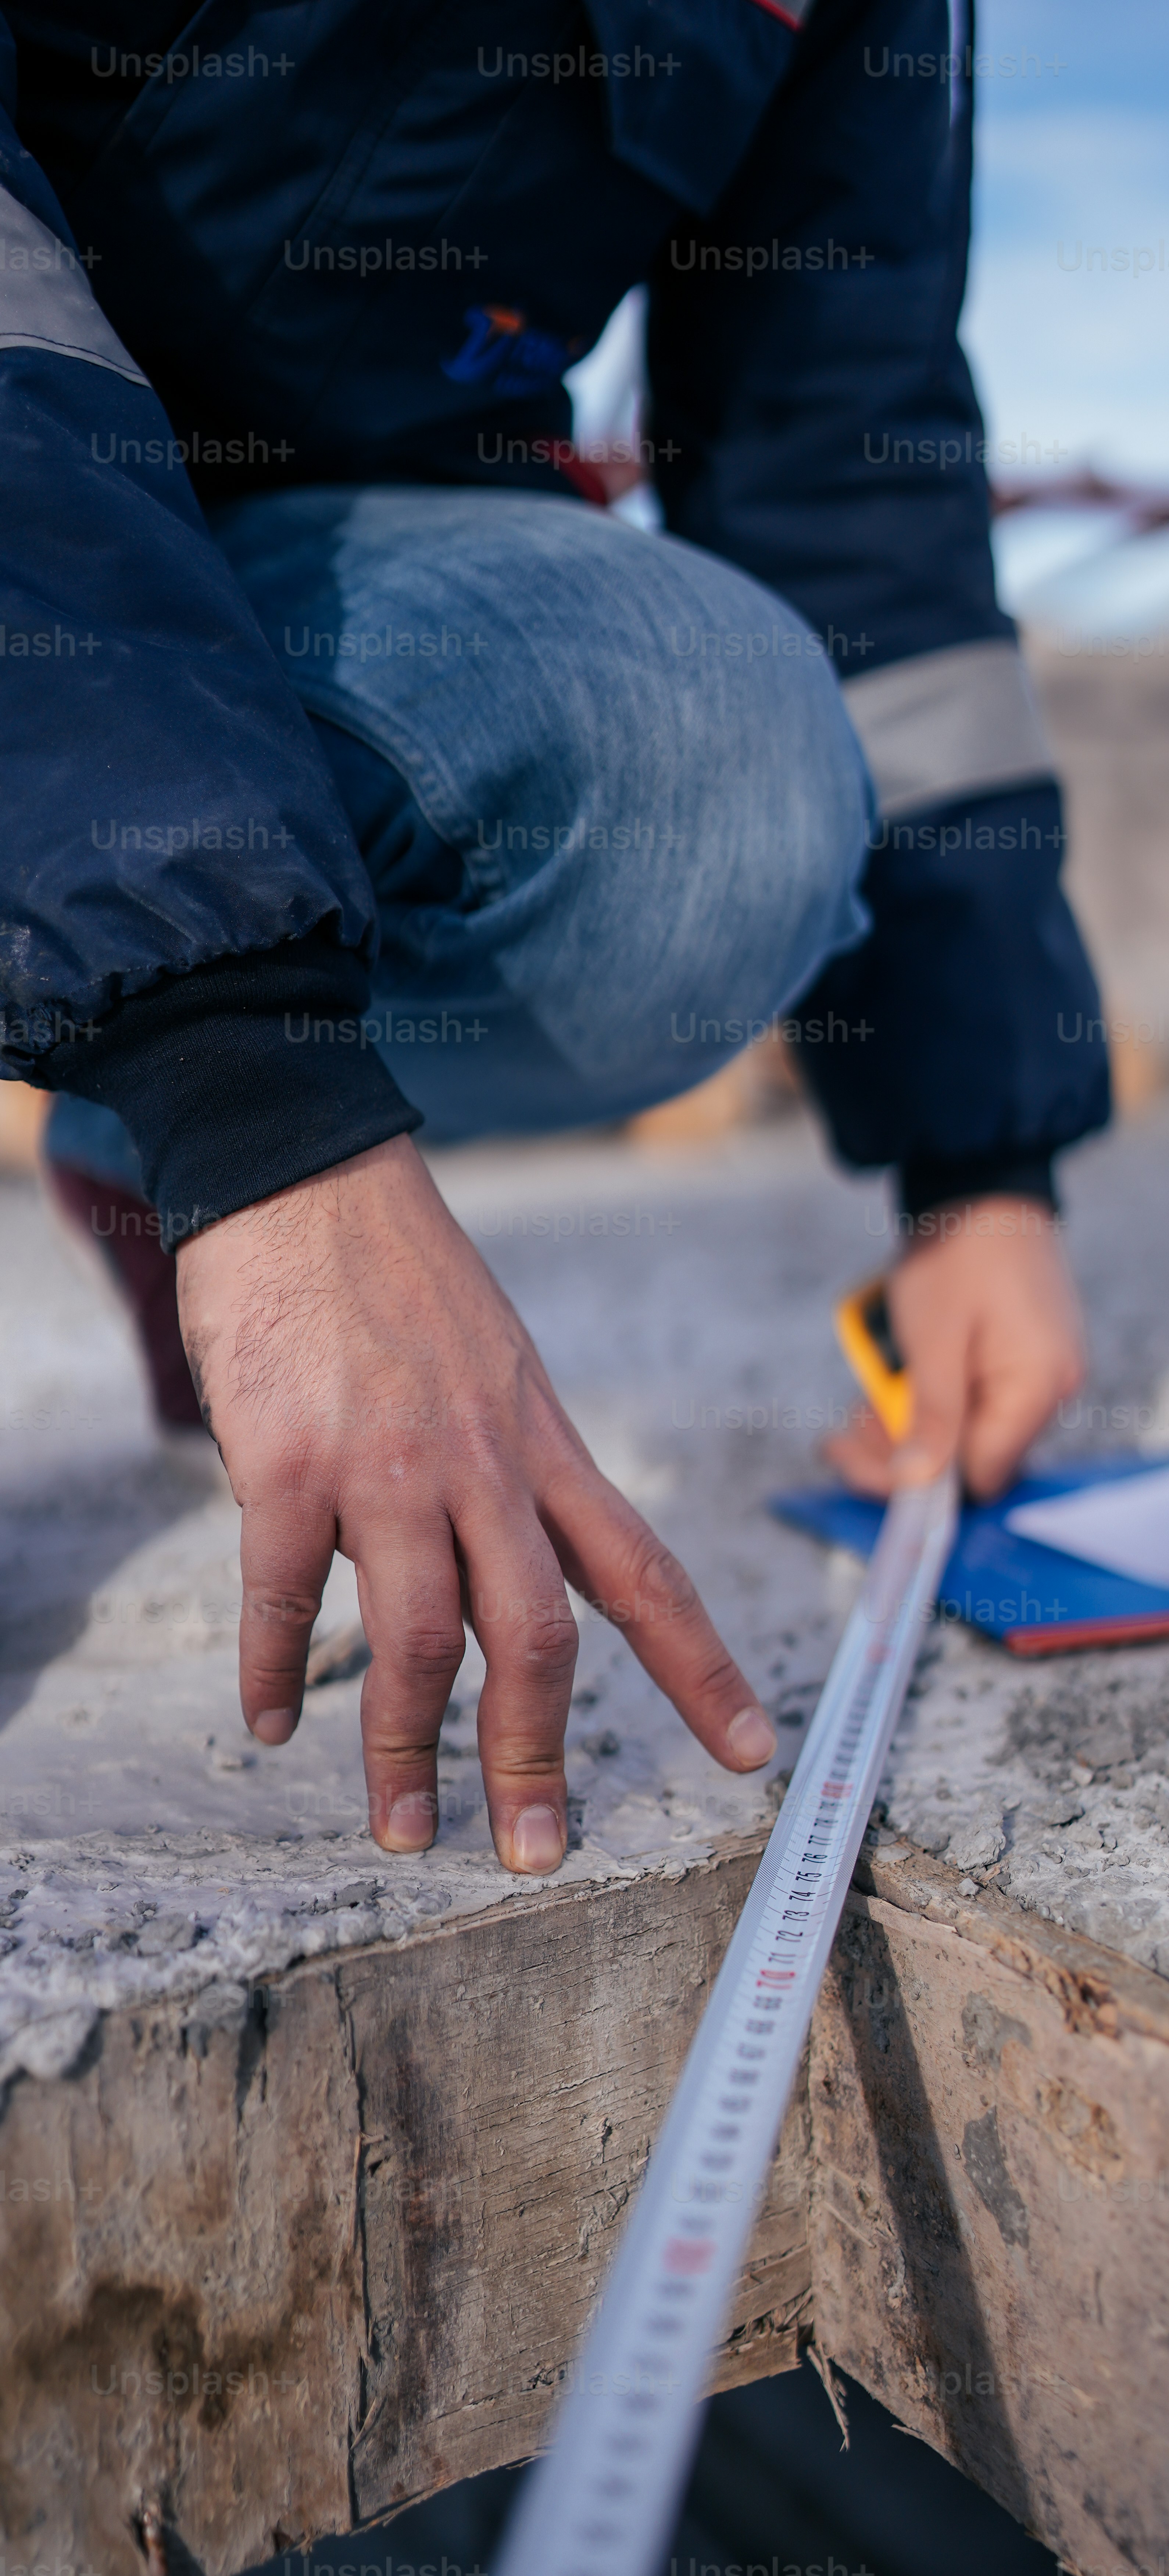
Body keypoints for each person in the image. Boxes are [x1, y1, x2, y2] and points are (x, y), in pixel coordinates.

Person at [0, 0, 1108, 1874]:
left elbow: (846, 451)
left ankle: (128, 1131)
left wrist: (979, 1170)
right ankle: (170, 1077)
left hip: (310, 570)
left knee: (725, 770)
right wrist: (261, 1092)